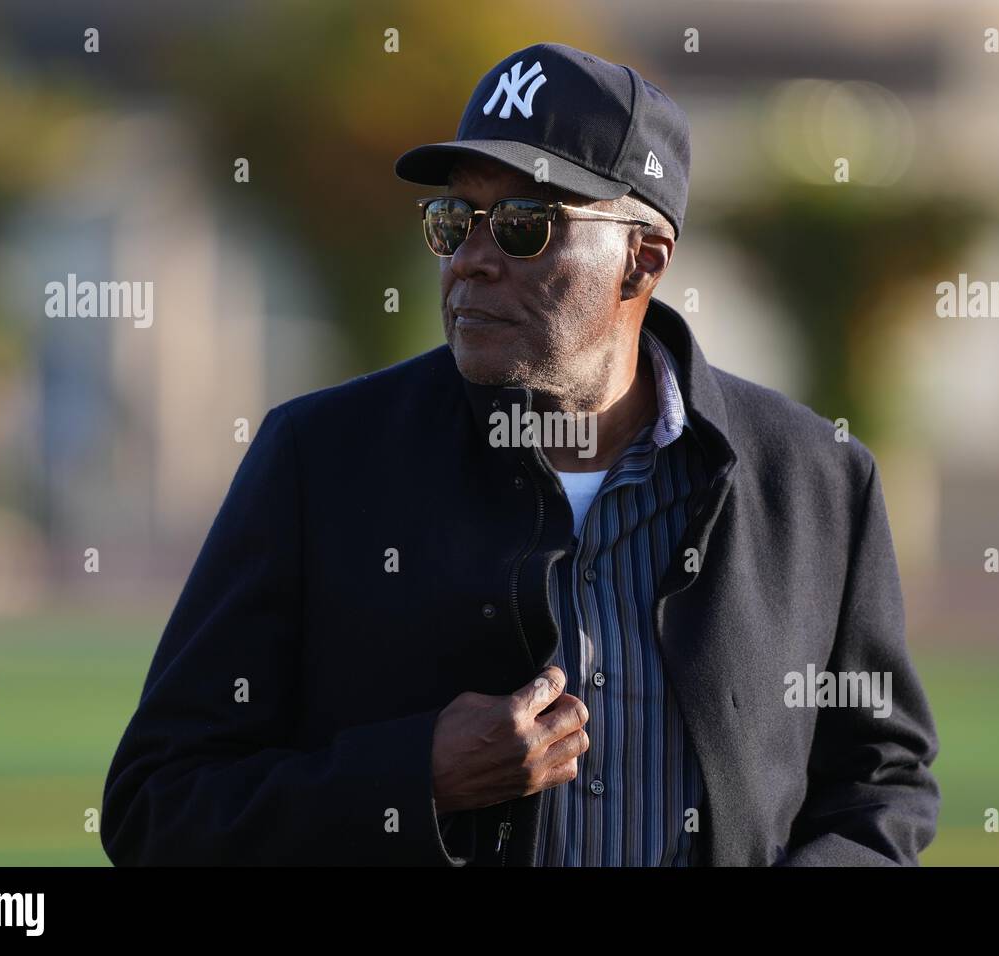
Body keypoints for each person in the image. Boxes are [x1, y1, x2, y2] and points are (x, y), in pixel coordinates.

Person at [101, 41, 940, 866]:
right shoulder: (319, 464)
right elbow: (155, 806)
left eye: (523, 226)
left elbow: (883, 784)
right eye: (452, 220)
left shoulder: (817, 481)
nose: (471, 259)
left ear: (641, 260)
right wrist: (414, 777)